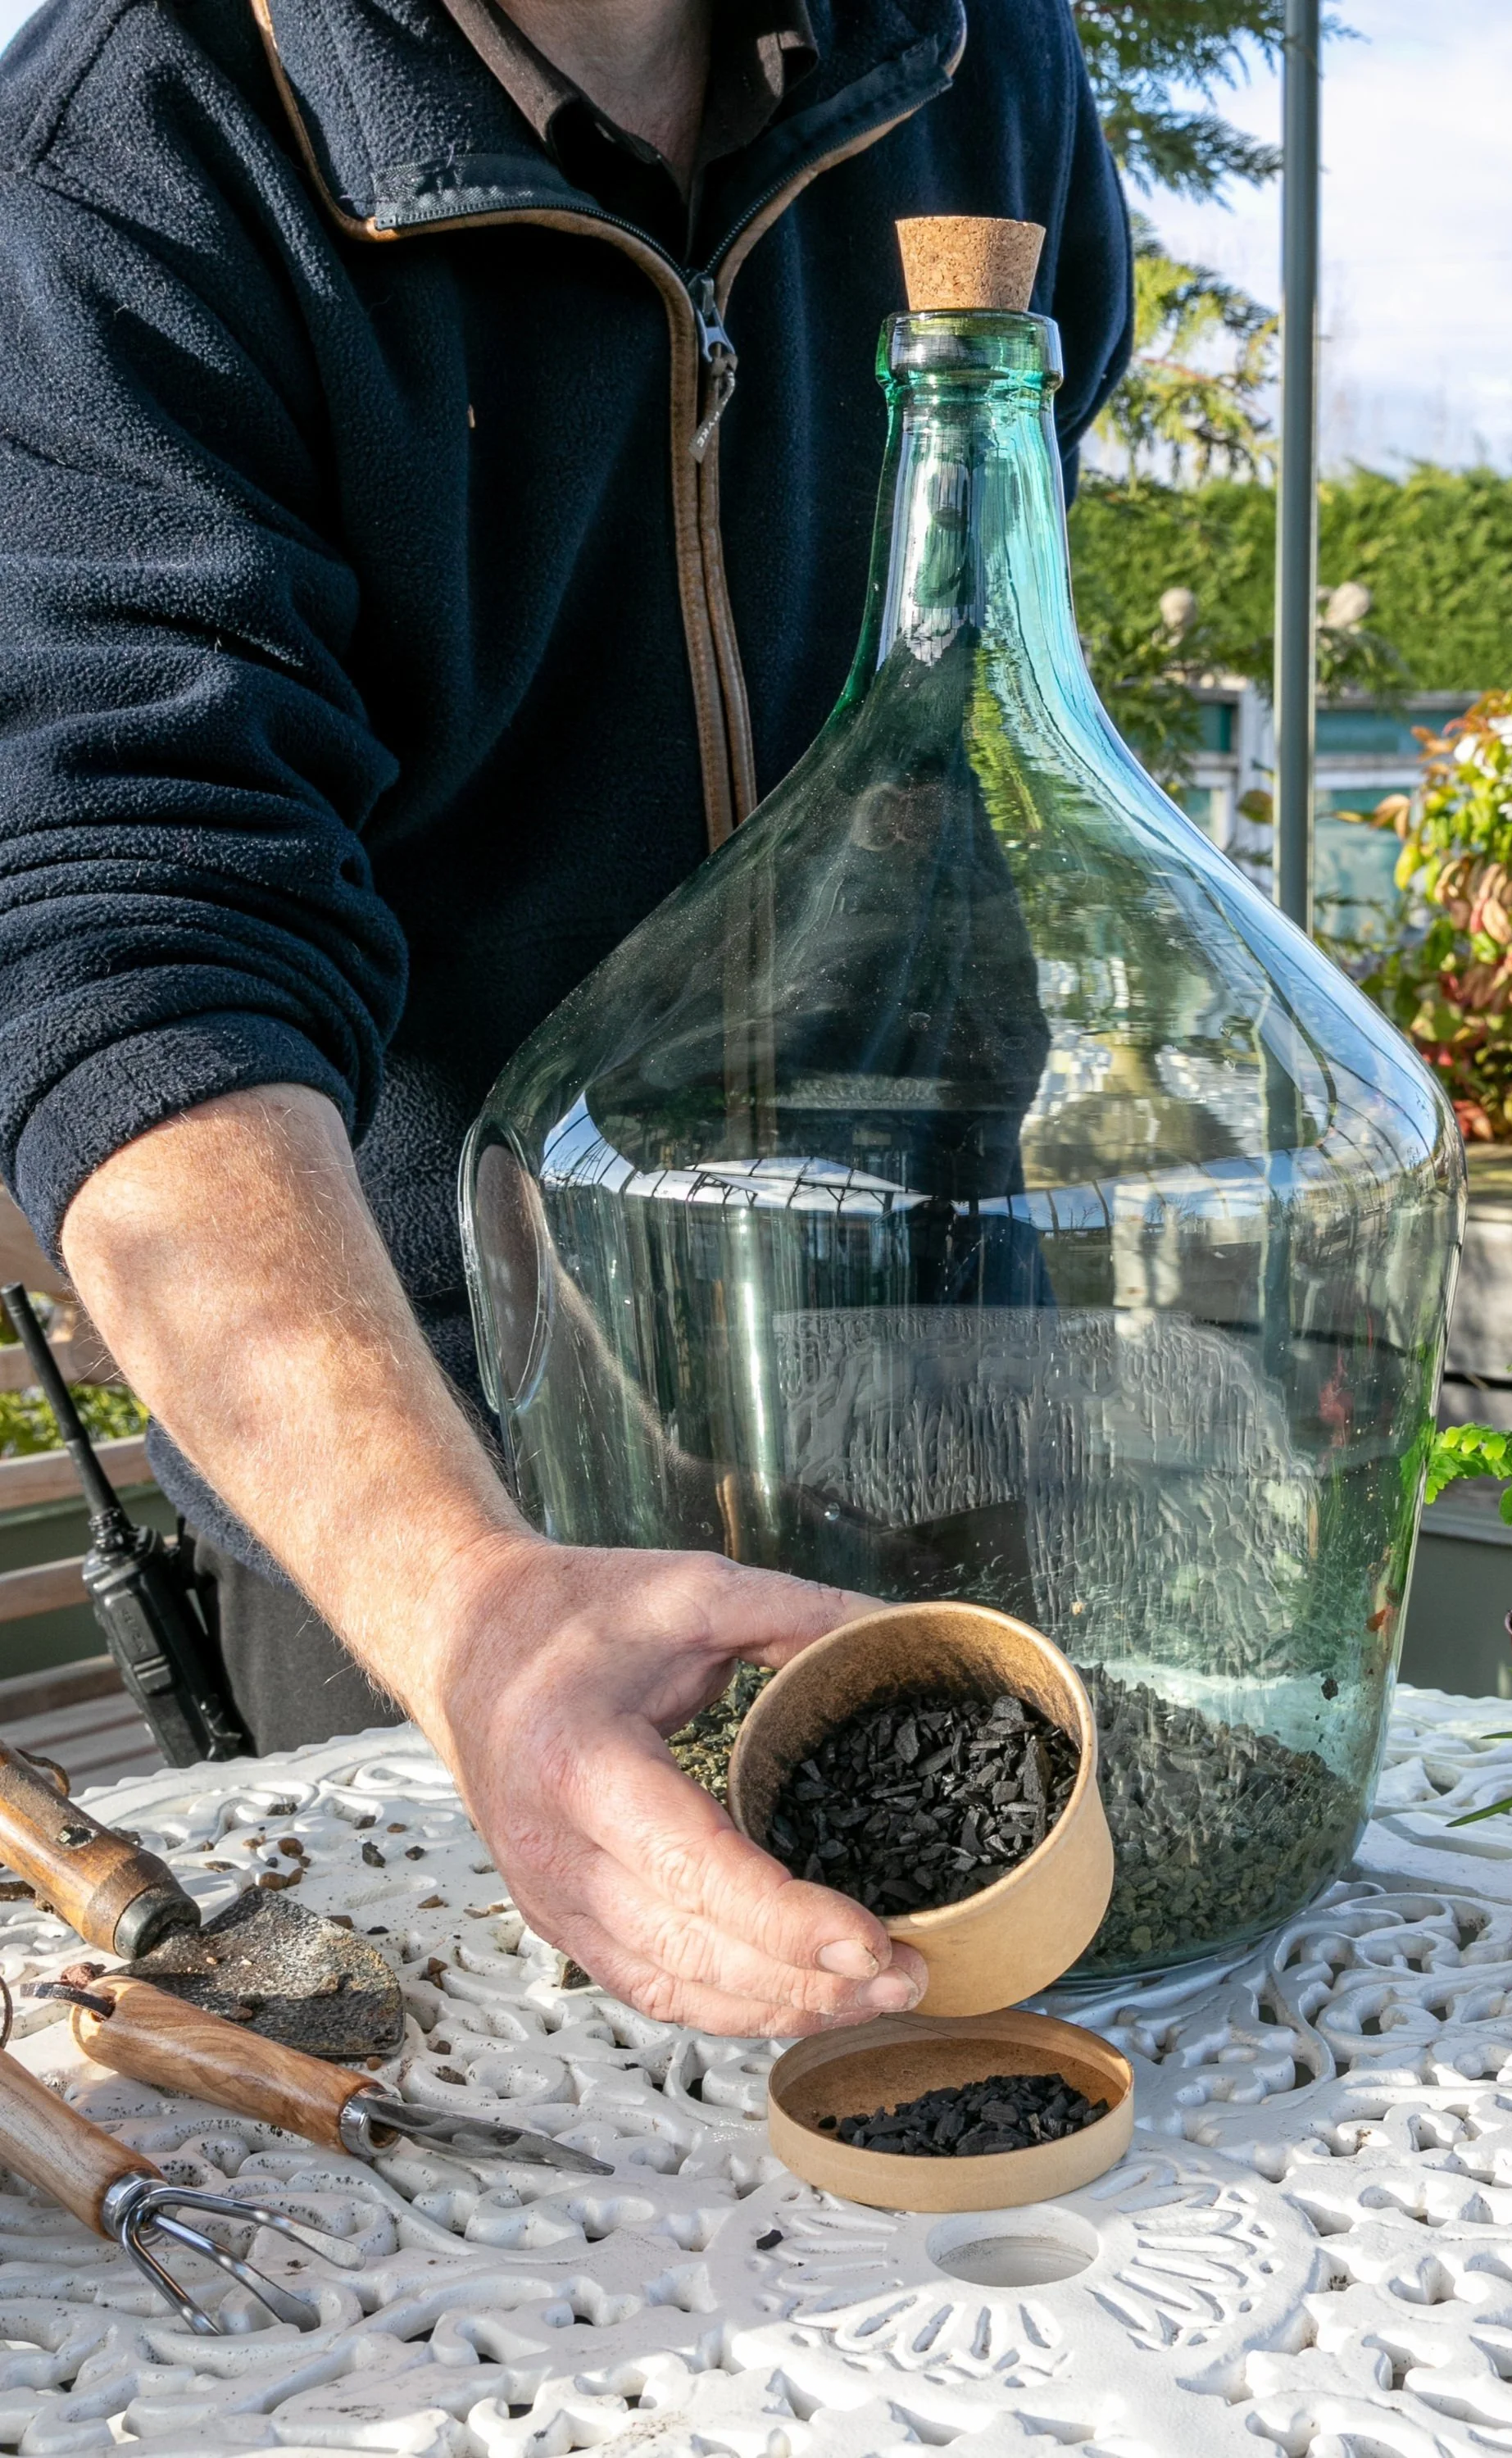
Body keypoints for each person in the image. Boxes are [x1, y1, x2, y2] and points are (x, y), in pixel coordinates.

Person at [0, 0, 1130, 2037]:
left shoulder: (975, 56)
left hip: (935, 1368)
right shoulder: (128, 163)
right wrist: (475, 1609)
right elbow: (133, 934)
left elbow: (987, 593)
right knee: (537, 2138)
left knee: (990, 2051)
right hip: (441, 1462)